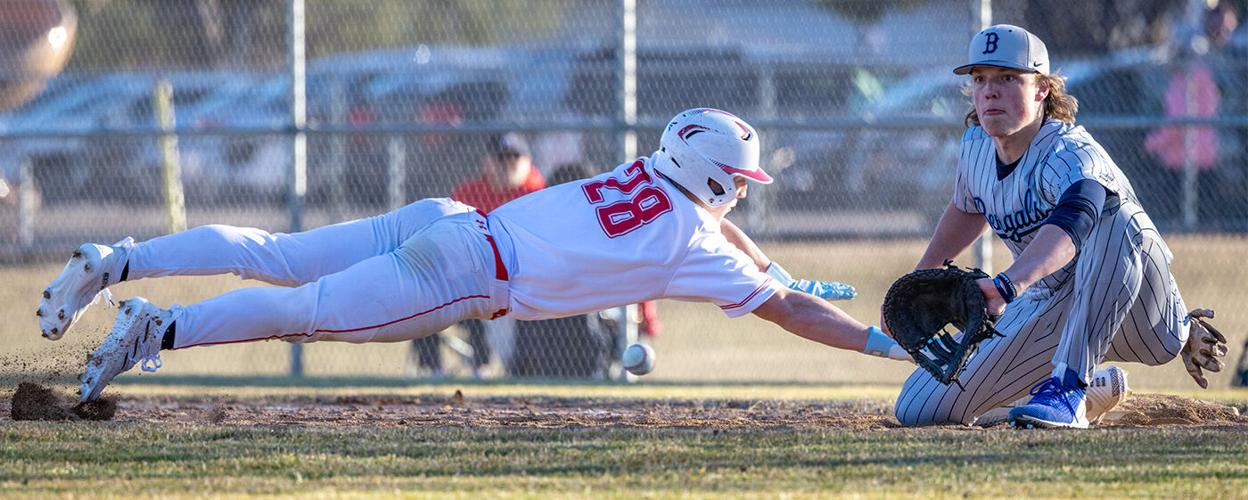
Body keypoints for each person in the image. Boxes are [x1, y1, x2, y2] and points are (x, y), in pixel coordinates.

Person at [36, 108, 910, 402]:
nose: (744, 191)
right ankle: (163, 327)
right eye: (740, 180)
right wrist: (878, 342)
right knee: (304, 314)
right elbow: (788, 310)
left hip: (449, 220)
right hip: (464, 274)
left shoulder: (652, 175)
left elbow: (724, 231)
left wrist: (771, 263)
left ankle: (118, 262)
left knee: (272, 253)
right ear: (714, 176)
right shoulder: (688, 237)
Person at [891, 25, 1230, 429]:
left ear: (1042, 90)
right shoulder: (976, 146)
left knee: (1113, 216)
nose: (989, 91)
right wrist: (918, 279)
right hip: (1053, 303)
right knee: (918, 408)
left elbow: (1079, 217)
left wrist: (1007, 285)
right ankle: (1086, 390)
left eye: (1008, 78)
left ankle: (1069, 385)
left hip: (1139, 312)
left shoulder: (1069, 152)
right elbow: (967, 209)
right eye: (980, 79)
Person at [409, 132, 546, 378]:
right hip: (477, 276)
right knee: (427, 289)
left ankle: (503, 368)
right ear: (487, 162)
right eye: (501, 159)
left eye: (515, 158)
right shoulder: (470, 192)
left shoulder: (538, 193)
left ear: (528, 161)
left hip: (523, 281)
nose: (508, 165)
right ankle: (436, 370)